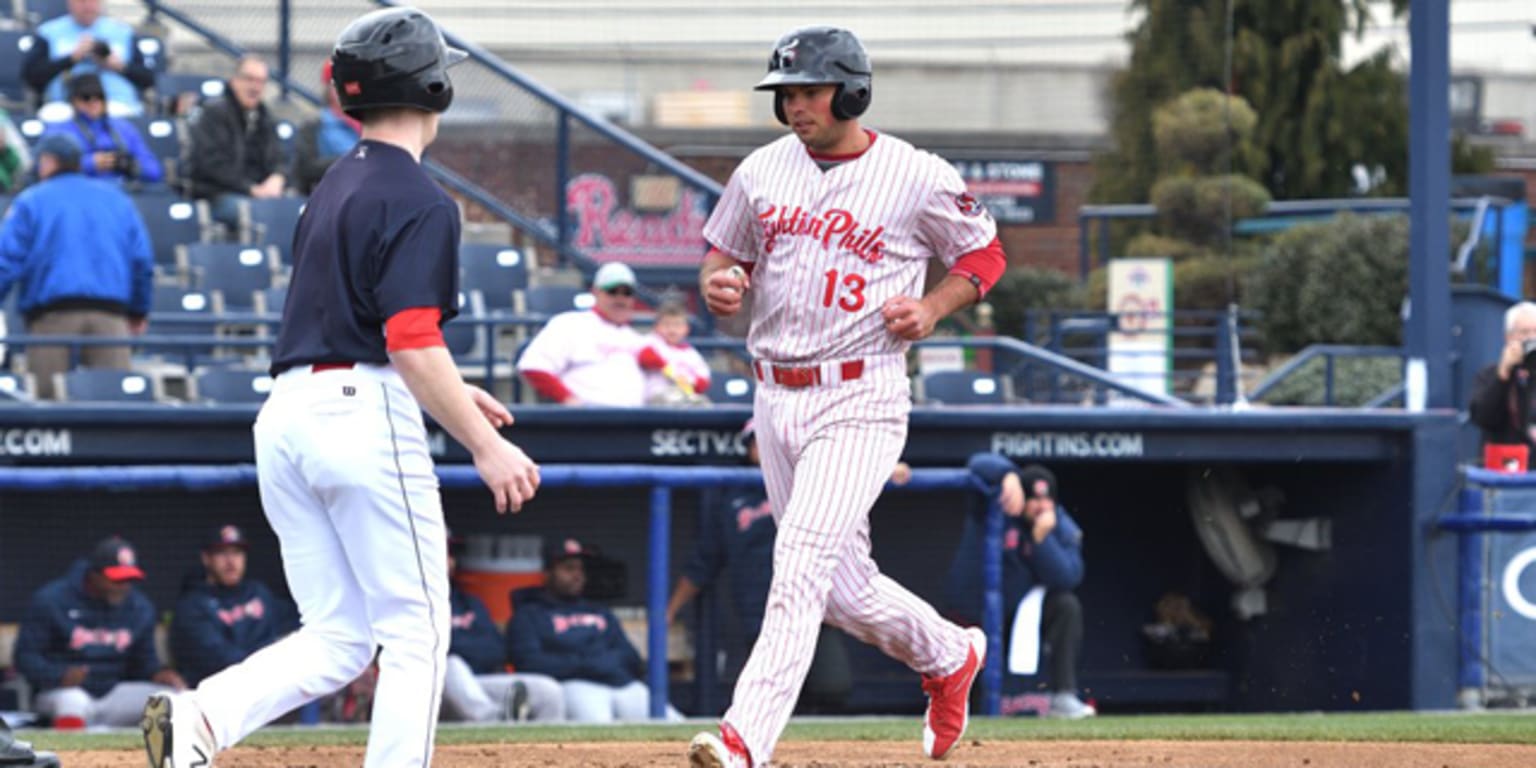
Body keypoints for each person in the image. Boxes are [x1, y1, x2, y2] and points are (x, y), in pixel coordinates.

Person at [141, 9, 541, 768]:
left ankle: (199, 720)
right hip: (361, 414)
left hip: (289, 414)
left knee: (340, 635)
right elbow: (408, 339)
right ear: (432, 86)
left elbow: (367, 324)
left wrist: (453, 390)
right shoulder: (421, 196)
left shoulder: (332, 182)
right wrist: (485, 446)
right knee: (417, 629)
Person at [687, 25, 1008, 768]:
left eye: (810, 91)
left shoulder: (914, 173)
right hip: (775, 395)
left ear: (853, 92)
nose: (795, 106)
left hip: (861, 394)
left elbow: (984, 253)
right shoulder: (761, 170)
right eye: (786, 94)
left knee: (798, 559)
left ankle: (744, 738)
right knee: (841, 590)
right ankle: (949, 654)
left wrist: (932, 307)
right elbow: (722, 257)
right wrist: (719, 283)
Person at [666, 420, 853, 712]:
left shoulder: (809, 481)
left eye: (771, 440)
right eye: (758, 441)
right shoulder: (732, 499)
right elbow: (703, 562)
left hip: (814, 606)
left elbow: (854, 477)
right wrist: (670, 610)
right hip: (761, 614)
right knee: (771, 698)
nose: (764, 447)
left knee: (832, 686)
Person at [0, 132, 152, 400]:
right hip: (110, 318)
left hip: (51, 318)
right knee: (114, 408)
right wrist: (138, 310)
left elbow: (6, 260)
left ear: (48, 161)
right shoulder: (117, 200)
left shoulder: (31, 200)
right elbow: (141, 261)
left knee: (47, 411)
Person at [943, 456, 1095, 719]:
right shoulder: (995, 506)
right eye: (1034, 499)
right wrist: (1008, 474)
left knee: (1066, 605)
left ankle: (1063, 695)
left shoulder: (1057, 523)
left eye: (1047, 499)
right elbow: (977, 463)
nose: (1041, 506)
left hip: (1020, 618)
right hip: (976, 615)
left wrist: (1041, 539)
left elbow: (1068, 577)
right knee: (970, 697)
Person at [14, 536, 186, 729]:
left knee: (173, 700)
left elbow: (144, 662)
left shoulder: (139, 607)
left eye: (129, 579)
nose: (123, 586)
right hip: (63, 691)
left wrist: (158, 674)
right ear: (94, 574)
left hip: (114, 693)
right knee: (72, 702)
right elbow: (26, 657)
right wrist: (59, 676)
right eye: (117, 579)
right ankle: (71, 749)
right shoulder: (52, 600)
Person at [506, 538, 662, 722]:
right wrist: (585, 664)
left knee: (672, 722)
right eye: (569, 568)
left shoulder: (599, 611)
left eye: (580, 569)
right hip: (573, 685)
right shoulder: (528, 614)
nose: (577, 575)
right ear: (547, 573)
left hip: (621, 684)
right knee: (598, 725)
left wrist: (604, 664)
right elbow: (529, 663)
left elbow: (629, 655)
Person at [442, 532, 565, 723]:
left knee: (548, 691)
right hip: (429, 690)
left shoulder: (470, 602)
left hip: (476, 683)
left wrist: (457, 646)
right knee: (451, 664)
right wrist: (466, 649)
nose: (449, 561)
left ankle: (545, 743)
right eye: (442, 553)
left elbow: (495, 650)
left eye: (450, 554)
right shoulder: (407, 604)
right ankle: (494, 721)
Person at [169, 525, 295, 689]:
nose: (231, 561)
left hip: (270, 681)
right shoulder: (192, 605)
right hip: (219, 689)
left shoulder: (257, 592)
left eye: (237, 552)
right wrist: (274, 665)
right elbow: (220, 659)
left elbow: (297, 620)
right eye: (222, 553)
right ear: (206, 558)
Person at [516, 262, 649, 406]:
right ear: (596, 292)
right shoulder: (571, 323)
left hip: (637, 416)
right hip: (586, 417)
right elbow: (533, 365)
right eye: (613, 291)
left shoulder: (636, 338)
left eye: (627, 293)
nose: (620, 299)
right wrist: (569, 400)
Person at [182, 55, 287, 231]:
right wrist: (251, 189)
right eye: (249, 79)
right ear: (234, 81)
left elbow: (280, 157)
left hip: (259, 194)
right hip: (218, 195)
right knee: (252, 212)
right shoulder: (213, 113)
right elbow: (212, 164)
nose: (255, 87)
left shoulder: (266, 117)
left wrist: (278, 177)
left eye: (261, 81)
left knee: (301, 212)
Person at [22, 0, 156, 117]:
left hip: (117, 105)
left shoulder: (123, 32)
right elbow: (31, 77)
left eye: (92, 0)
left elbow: (148, 79)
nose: (87, 6)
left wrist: (117, 65)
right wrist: (71, 59)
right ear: (70, 2)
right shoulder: (48, 33)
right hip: (64, 105)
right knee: (52, 115)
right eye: (81, 1)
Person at [42, 73, 163, 185]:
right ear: (74, 101)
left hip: (122, 191)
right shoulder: (58, 131)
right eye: (86, 97)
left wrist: (131, 166)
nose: (93, 102)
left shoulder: (124, 128)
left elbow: (154, 171)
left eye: (99, 97)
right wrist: (90, 164)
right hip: (76, 192)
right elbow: (46, 168)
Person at [1468, 301, 1536, 458]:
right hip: (1503, 465)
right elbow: (1482, 418)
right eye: (1525, 332)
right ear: (1508, 337)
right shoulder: (1490, 374)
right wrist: (1503, 373)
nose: (1532, 338)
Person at [292, 59, 361, 195]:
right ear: (328, 89)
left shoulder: (370, 123)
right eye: (338, 84)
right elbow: (306, 169)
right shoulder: (314, 125)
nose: (345, 89)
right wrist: (352, 161)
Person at [639, 300, 711, 405]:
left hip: (685, 394)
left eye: (677, 325)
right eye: (666, 325)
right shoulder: (653, 342)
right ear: (656, 327)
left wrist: (687, 382)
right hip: (656, 396)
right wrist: (669, 370)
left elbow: (703, 381)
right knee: (674, 398)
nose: (672, 330)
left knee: (703, 403)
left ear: (686, 329)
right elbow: (646, 357)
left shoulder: (691, 353)